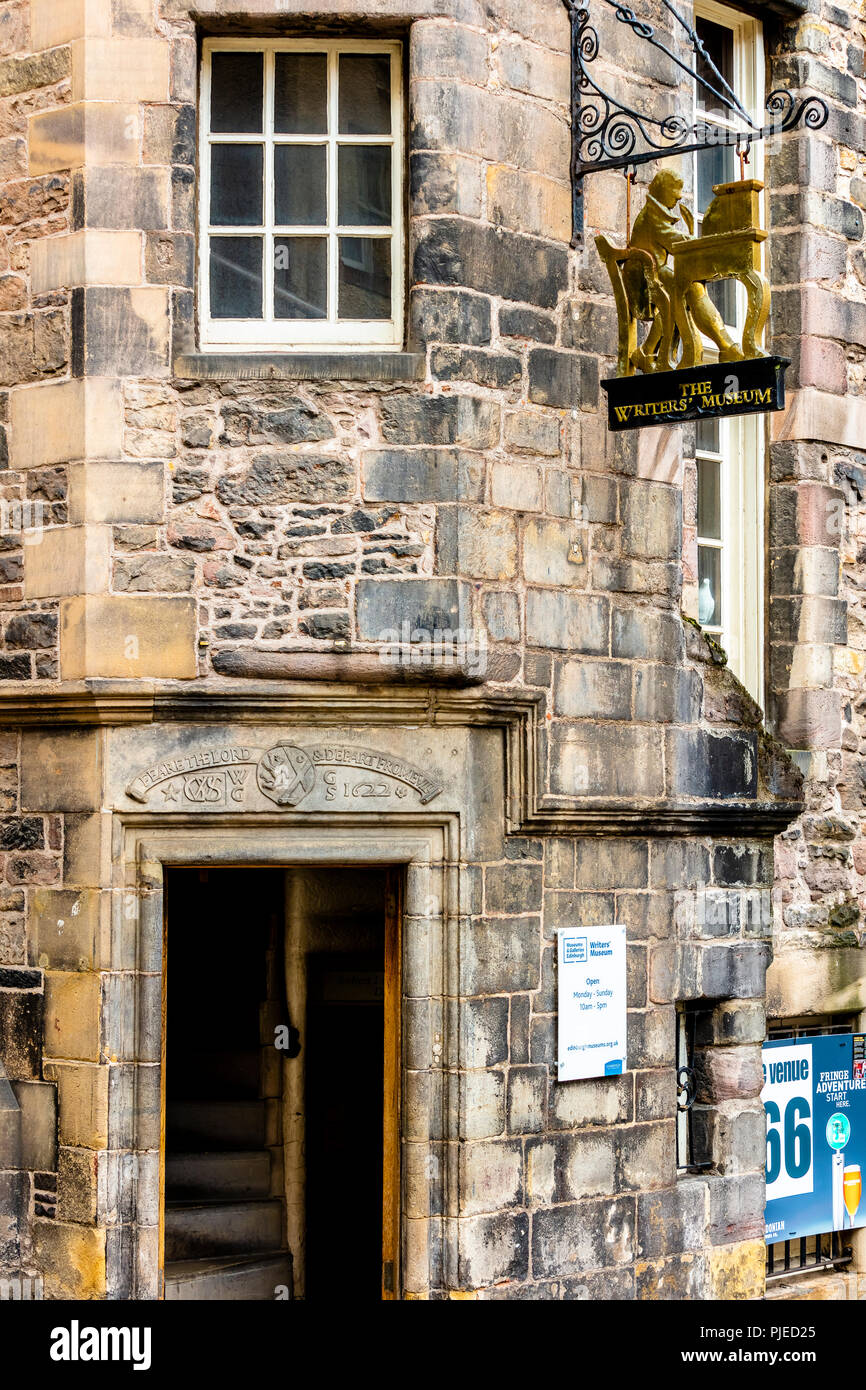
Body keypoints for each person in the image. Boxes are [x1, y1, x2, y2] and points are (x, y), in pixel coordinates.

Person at [627, 167, 743, 370]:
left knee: (690, 289)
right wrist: (696, 239)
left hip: (654, 272)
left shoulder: (655, 213)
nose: (680, 196)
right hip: (644, 276)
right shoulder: (652, 216)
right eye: (676, 190)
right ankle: (723, 345)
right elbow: (672, 241)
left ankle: (724, 345)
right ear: (664, 190)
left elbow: (672, 239)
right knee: (685, 290)